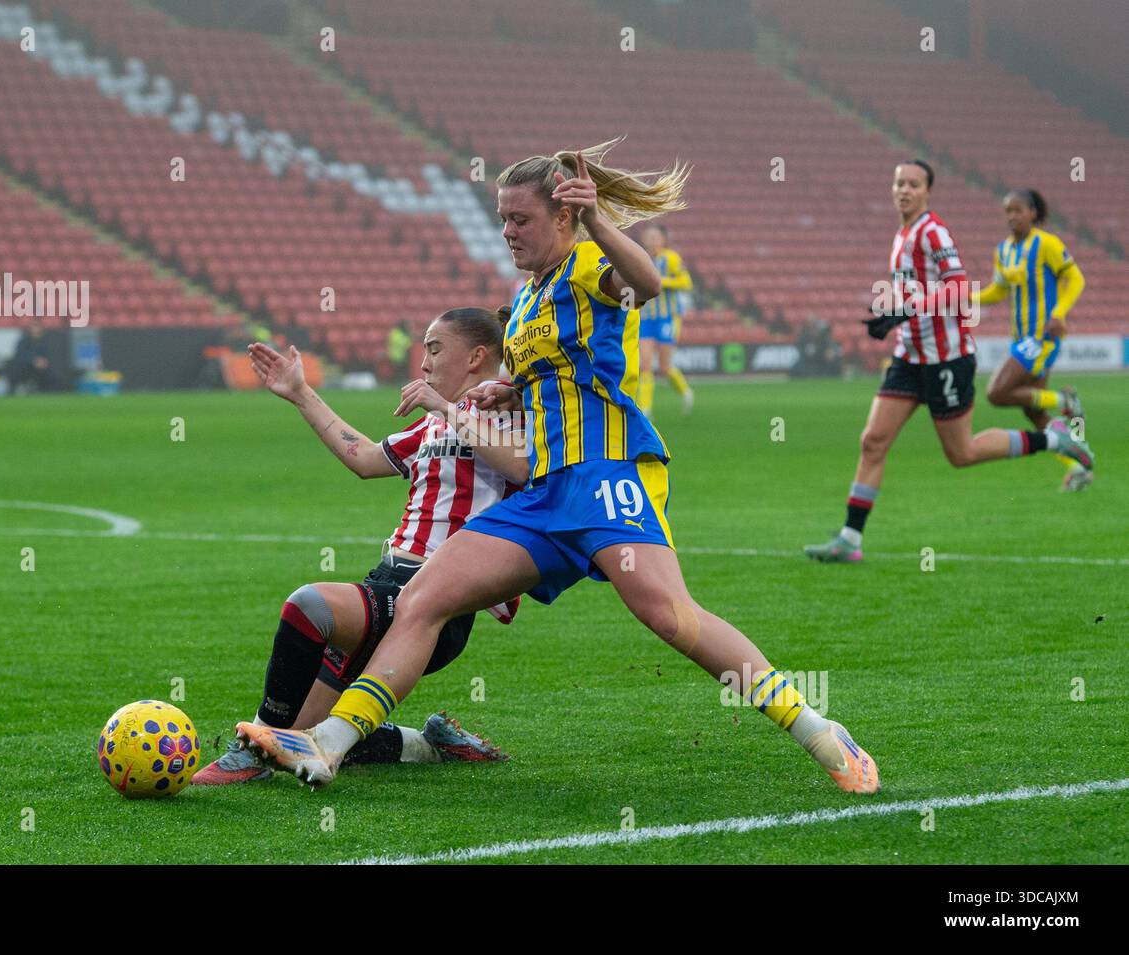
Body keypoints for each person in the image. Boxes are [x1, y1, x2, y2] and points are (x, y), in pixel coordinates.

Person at [242, 139, 881, 794]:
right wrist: (507, 389)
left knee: (670, 619)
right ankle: (328, 742)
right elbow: (551, 369)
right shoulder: (525, 296)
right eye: (502, 218)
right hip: (542, 492)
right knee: (422, 600)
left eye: (519, 219)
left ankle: (818, 729)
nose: (507, 231)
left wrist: (601, 220)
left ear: (563, 217)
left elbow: (646, 284)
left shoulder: (587, 266)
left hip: (604, 476)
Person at [192, 308, 525, 784]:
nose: (424, 363)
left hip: (438, 597)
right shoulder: (433, 424)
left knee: (310, 606)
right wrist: (301, 394)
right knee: (306, 734)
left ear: (475, 357)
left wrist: (445, 406)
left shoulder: (509, 412)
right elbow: (366, 458)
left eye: (435, 349)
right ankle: (430, 744)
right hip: (386, 580)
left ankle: (255, 740)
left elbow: (520, 468)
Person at [804, 161, 1094, 563]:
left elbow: (957, 289)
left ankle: (1055, 439)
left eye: (913, 184)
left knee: (962, 454)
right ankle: (850, 539)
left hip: (947, 358)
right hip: (910, 357)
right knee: (873, 441)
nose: (904, 189)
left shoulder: (933, 231)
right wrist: (894, 314)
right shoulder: (901, 234)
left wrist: (909, 309)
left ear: (927, 192)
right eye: (899, 183)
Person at [974, 189, 1090, 492]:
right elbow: (997, 292)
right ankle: (1078, 468)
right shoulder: (1004, 250)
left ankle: (1065, 400)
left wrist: (1060, 313)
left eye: (1018, 210)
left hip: (1042, 336)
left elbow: (1076, 278)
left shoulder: (1047, 243)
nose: (1011, 216)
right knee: (1034, 411)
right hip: (1022, 338)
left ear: (1033, 213)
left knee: (997, 392)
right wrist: (963, 298)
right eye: (1007, 211)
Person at [636, 222, 694, 416]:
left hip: (666, 318)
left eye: (655, 237)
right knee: (644, 365)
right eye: (648, 236)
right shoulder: (639, 258)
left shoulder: (671, 259)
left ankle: (685, 392)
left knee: (664, 366)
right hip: (646, 319)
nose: (651, 240)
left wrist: (661, 282)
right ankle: (645, 409)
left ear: (663, 239)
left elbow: (686, 282)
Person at [5, 319, 56, 393]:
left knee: (52, 373)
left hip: (40, 369)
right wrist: (33, 361)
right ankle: (13, 391)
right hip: (25, 367)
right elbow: (20, 355)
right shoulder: (23, 341)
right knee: (14, 369)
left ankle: (46, 392)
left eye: (38, 326)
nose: (36, 329)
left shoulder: (44, 342)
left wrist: (42, 362)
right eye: (34, 326)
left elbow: (47, 356)